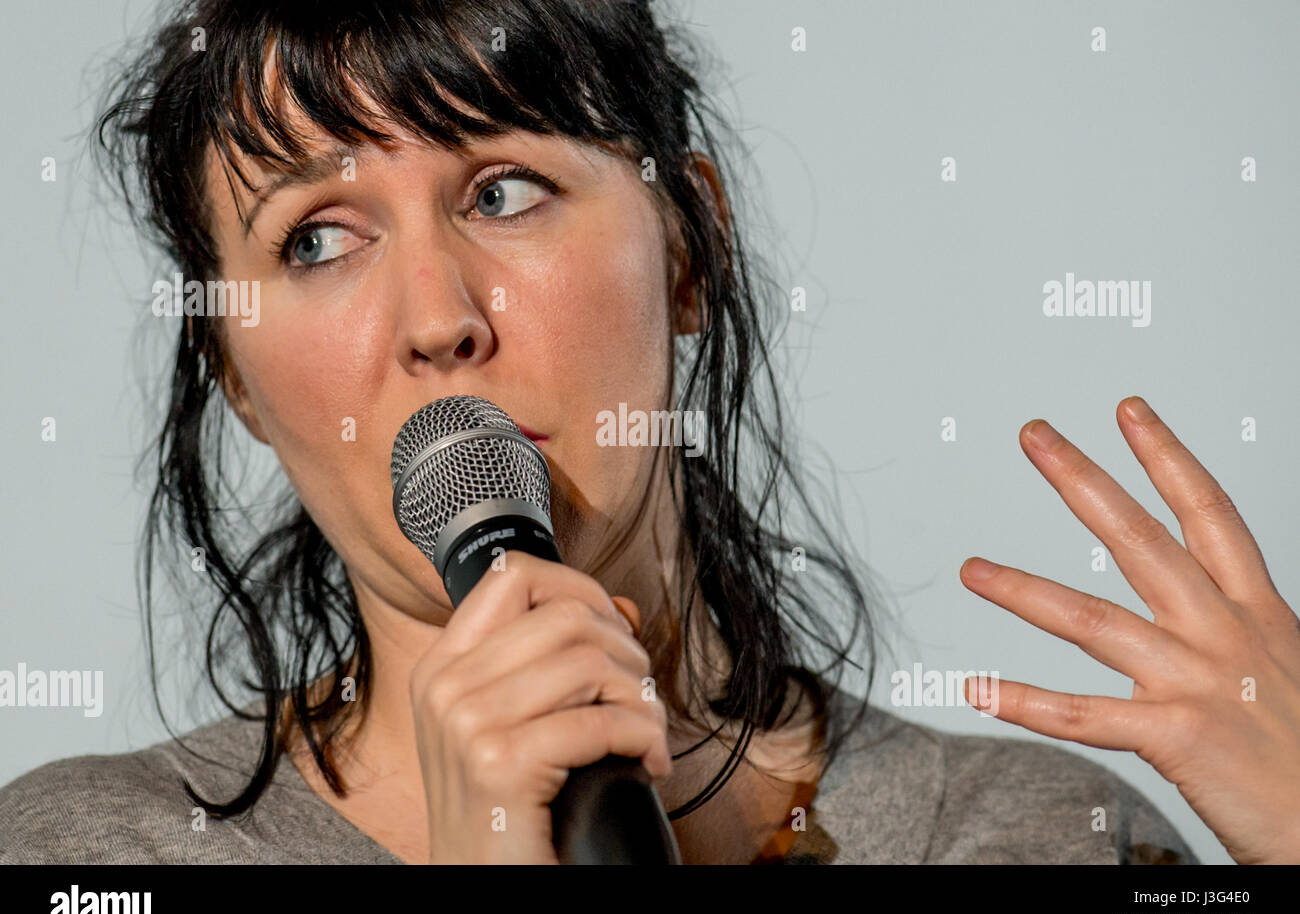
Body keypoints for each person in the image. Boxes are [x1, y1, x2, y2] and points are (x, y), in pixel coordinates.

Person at [7, 0, 1293, 866]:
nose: (439, 319)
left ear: (690, 246)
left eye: (502, 191)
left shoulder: (1027, 837)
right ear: (233, 372)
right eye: (319, 239)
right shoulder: (88, 857)